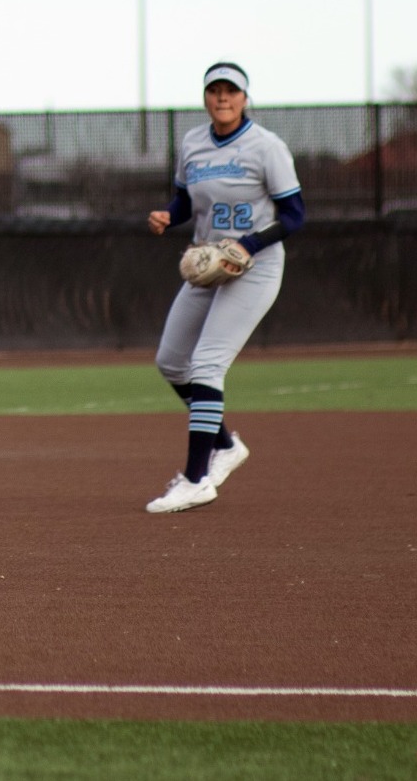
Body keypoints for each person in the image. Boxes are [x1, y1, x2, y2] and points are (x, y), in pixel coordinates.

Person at [144, 62, 305, 513]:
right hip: (206, 263)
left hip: (254, 266)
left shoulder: (266, 147)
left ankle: (197, 479)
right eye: (214, 90)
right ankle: (227, 446)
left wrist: (249, 244)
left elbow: (294, 215)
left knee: (207, 364)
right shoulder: (193, 143)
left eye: (231, 91)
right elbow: (184, 201)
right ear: (205, 98)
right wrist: (167, 216)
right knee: (172, 363)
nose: (222, 98)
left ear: (245, 98)